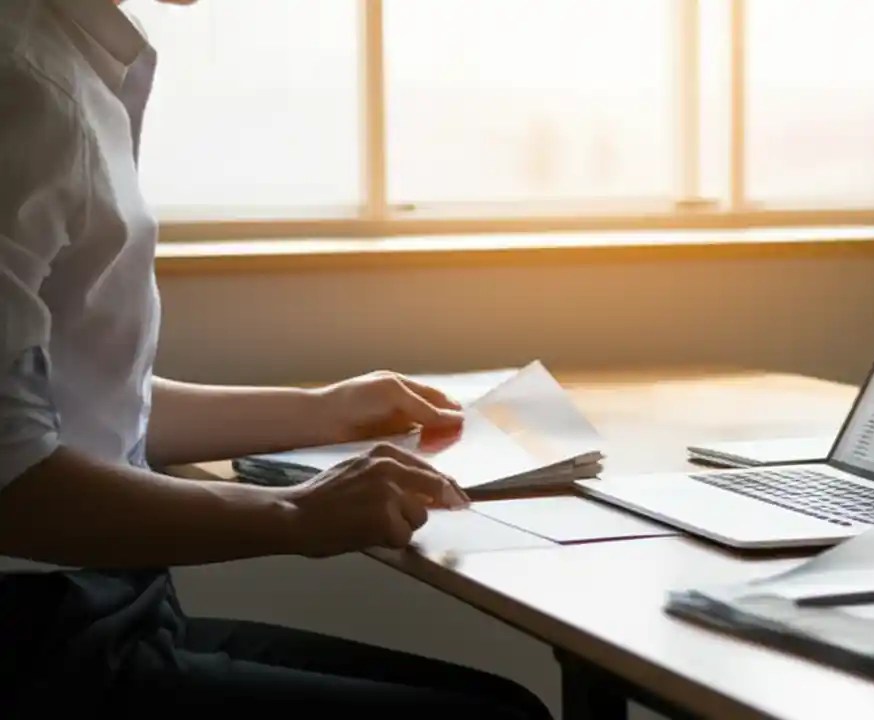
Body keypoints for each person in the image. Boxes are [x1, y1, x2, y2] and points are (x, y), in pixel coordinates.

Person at [0, 1, 551, 716]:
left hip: (107, 612)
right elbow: (12, 483)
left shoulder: (63, 54)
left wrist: (320, 410)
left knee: (503, 703)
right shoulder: (23, 82)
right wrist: (293, 513)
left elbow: (69, 409)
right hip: (40, 641)